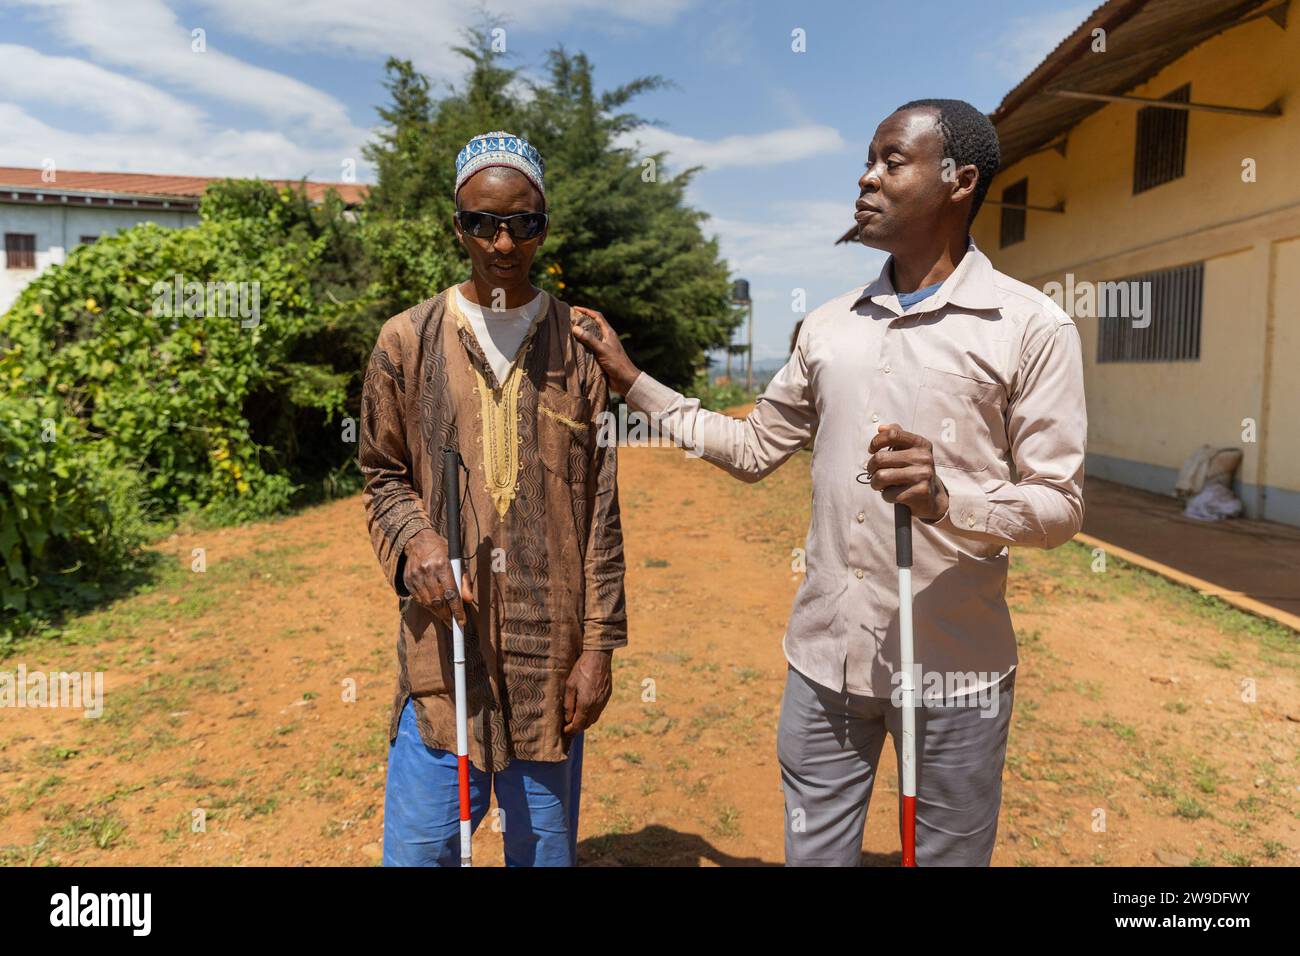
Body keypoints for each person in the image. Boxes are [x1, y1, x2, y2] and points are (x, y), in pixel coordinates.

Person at [570, 100, 1086, 866]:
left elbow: (1060, 504)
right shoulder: (830, 327)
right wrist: (633, 381)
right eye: (868, 159)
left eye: (890, 160)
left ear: (959, 179)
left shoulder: (1030, 326)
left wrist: (950, 500)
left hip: (955, 670)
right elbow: (751, 448)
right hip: (825, 665)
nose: (866, 177)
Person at [360, 131, 627, 867]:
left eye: (523, 223)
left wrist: (599, 647)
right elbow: (382, 473)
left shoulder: (579, 347)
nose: (503, 243)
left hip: (551, 659)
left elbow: (601, 511)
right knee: (421, 854)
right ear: (458, 225)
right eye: (483, 222)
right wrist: (417, 541)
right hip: (443, 656)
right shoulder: (406, 341)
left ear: (545, 223)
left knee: (541, 855)